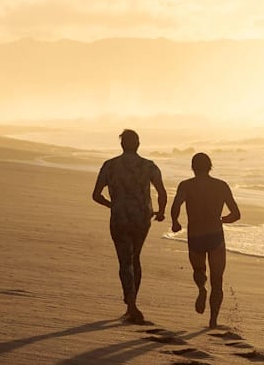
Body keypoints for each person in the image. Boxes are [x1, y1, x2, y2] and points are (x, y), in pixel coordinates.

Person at [92, 128, 167, 324]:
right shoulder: (149, 166)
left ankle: (131, 303)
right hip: (142, 217)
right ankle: (131, 303)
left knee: (125, 261)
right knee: (136, 257)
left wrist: (113, 205)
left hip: (119, 217)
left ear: (121, 144)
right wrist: (161, 211)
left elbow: (96, 195)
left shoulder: (109, 166)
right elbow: (162, 191)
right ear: (138, 144)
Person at [170, 152, 241, 328]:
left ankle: (201, 289)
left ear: (193, 167)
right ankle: (213, 320)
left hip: (195, 236)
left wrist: (175, 222)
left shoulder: (186, 185)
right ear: (210, 166)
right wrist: (221, 219)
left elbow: (176, 205)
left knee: (199, 271)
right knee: (217, 280)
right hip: (215, 235)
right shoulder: (221, 186)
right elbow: (236, 214)